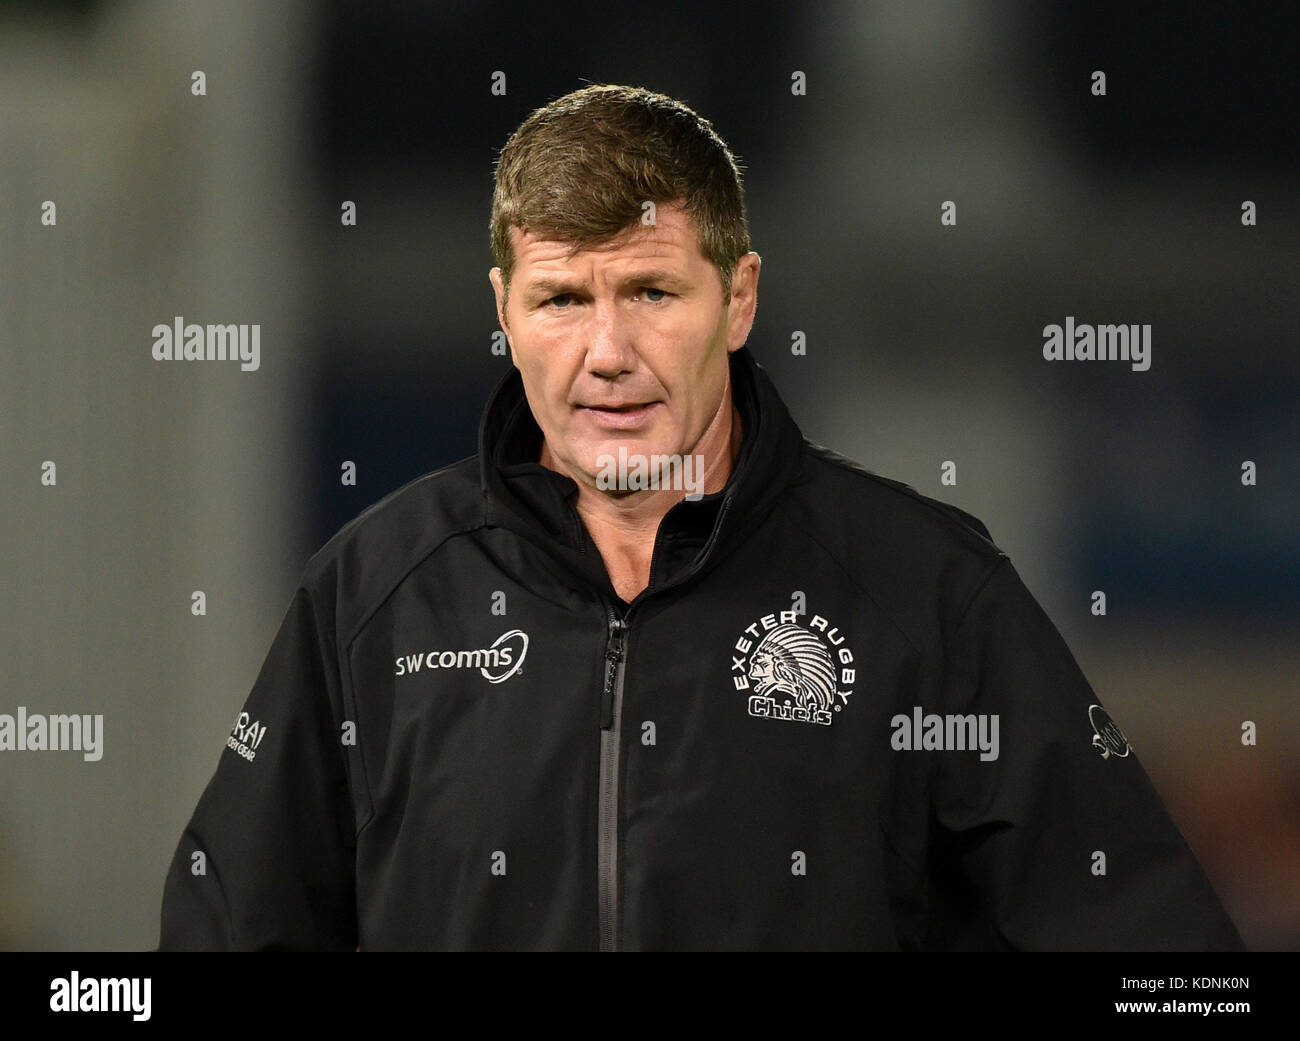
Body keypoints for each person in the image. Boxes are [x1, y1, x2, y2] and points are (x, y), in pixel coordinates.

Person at [158, 83, 1245, 951]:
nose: (607, 353)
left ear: (741, 299)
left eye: (652, 293)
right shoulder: (373, 598)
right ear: (505, 312)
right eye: (561, 300)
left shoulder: (924, 594)